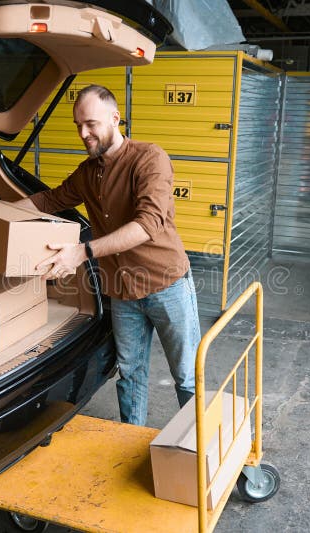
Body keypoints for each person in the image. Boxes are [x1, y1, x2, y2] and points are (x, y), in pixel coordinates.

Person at [14, 84, 200, 426]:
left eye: (91, 124)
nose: (83, 133)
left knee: (187, 376)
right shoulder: (88, 173)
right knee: (130, 375)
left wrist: (82, 252)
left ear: (115, 118)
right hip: (123, 292)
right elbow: (48, 201)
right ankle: (130, 441)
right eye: (78, 126)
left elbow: (147, 225)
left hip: (166, 285)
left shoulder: (149, 158)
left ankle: (200, 454)